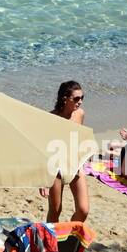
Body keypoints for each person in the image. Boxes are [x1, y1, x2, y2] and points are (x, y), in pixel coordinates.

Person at [41, 80, 90, 223]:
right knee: (55, 210)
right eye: (76, 98)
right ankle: (50, 241)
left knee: (83, 210)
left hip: (75, 165)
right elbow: (44, 149)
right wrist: (43, 180)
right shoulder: (51, 118)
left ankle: (69, 237)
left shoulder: (79, 114)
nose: (80, 102)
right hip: (55, 168)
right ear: (64, 98)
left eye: (82, 98)